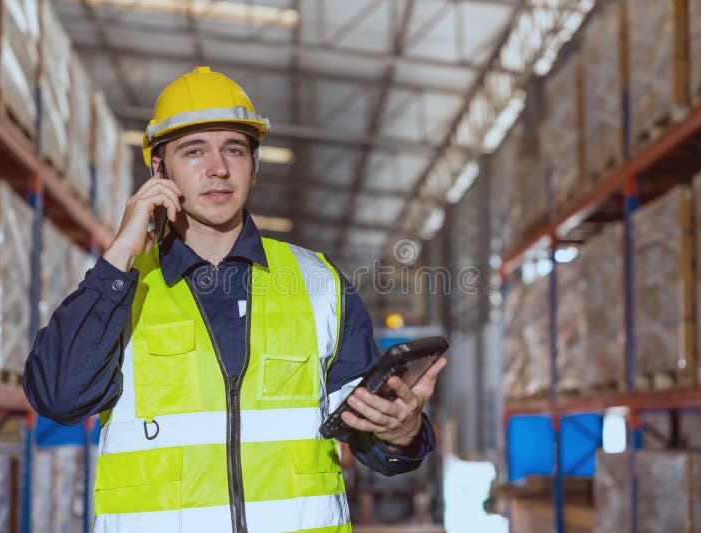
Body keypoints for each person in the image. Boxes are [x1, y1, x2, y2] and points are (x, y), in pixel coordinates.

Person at [23, 66, 447, 533]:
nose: (219, 168)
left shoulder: (319, 283)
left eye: (234, 149)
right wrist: (121, 251)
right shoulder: (120, 289)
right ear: (158, 170)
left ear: (254, 166)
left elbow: (369, 435)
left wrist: (401, 431)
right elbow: (57, 397)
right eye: (194, 150)